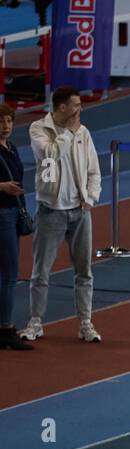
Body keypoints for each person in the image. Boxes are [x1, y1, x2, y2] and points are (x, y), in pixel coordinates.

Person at [21, 86, 101, 343]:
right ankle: (36, 322)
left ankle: (85, 323)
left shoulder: (84, 133)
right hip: (51, 212)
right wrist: (67, 132)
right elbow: (50, 154)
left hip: (79, 211)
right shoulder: (38, 130)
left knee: (84, 270)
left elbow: (93, 170)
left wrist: (90, 198)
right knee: (40, 271)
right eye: (76, 105)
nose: (80, 110)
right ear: (62, 107)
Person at [0, 103, 30, 352]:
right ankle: (6, 328)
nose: (6, 126)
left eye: (9, 121)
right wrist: (2, 187)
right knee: (10, 274)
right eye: (1, 122)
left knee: (6, 274)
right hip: (1, 215)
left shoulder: (11, 148)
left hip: (13, 212)